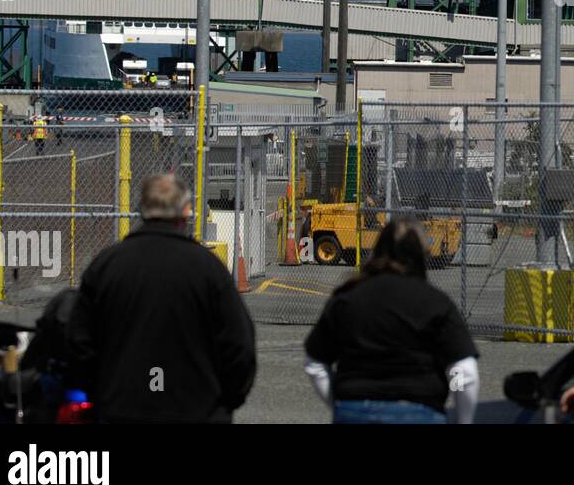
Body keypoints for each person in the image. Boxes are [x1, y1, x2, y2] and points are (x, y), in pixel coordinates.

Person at [67, 173, 257, 423]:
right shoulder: (208, 269)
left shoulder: (106, 266)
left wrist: (100, 392)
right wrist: (224, 402)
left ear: (141, 210)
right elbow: (239, 346)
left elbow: (78, 342)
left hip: (121, 410)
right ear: (186, 212)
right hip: (196, 410)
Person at [304, 219, 479, 424]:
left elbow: (315, 364)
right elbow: (463, 373)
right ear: (421, 256)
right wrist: (461, 415)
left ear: (377, 250)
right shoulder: (437, 303)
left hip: (354, 410)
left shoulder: (347, 299)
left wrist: (339, 402)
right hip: (419, 412)